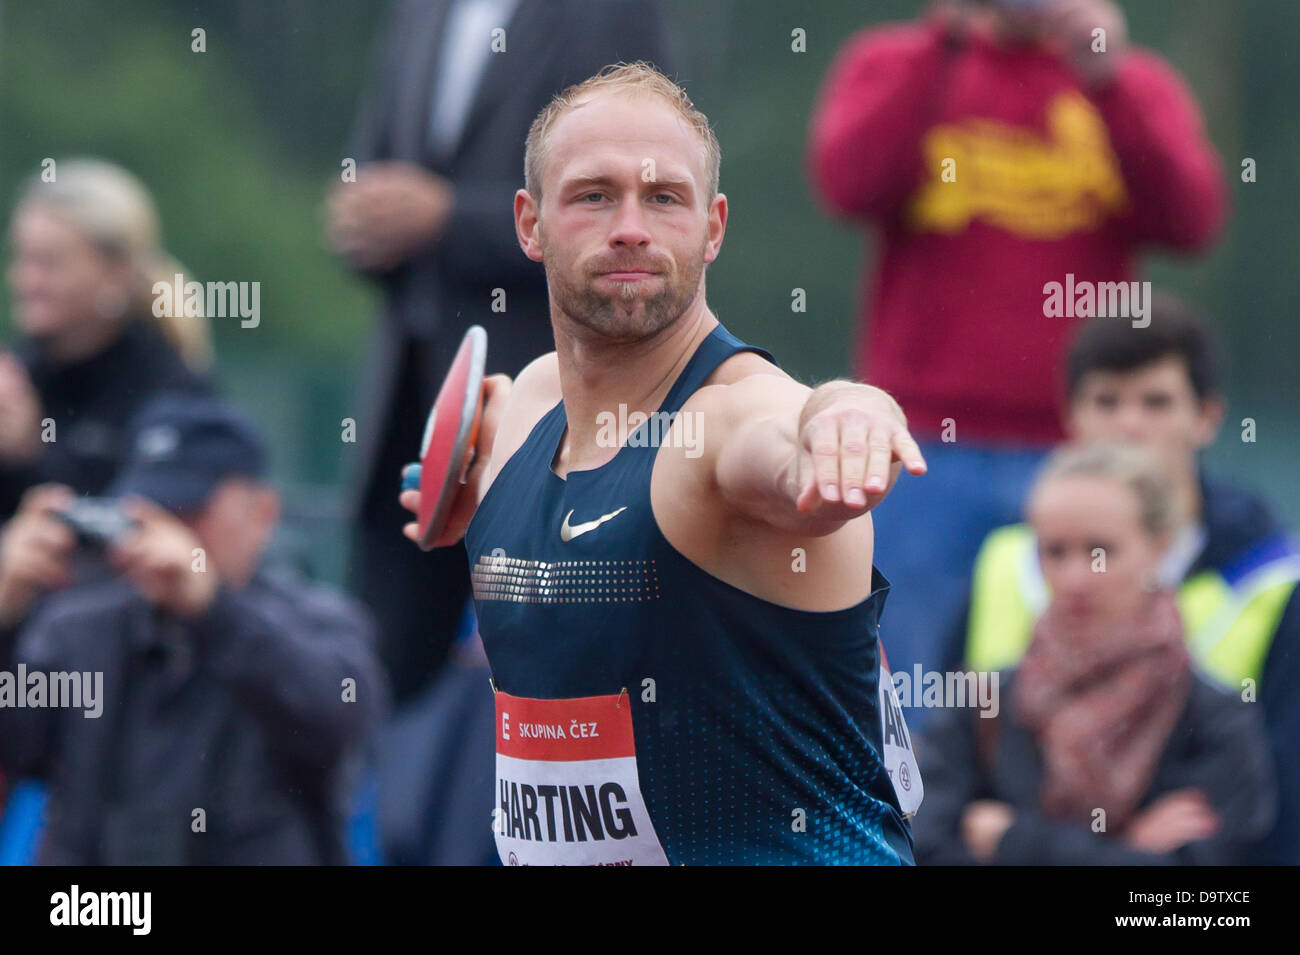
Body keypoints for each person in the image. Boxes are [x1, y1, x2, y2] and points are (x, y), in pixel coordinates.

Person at [400, 63, 928, 865]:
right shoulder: (519, 415)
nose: (631, 227)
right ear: (529, 222)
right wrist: (469, 507)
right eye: (593, 195)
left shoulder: (726, 424)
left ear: (713, 227)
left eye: (664, 198)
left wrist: (851, 412)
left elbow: (792, 436)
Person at [806, 0, 1228, 704]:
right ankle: (918, 821)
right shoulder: (899, 61)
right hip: (921, 451)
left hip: (1083, 450)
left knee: (1083, 695)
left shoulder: (1124, 81)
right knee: (911, 693)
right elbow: (849, 184)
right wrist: (944, 41)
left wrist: (1110, 79)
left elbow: (1191, 220)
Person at [329, 0, 676, 705]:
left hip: (552, 423)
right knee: (381, 699)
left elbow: (636, 202)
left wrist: (446, 219)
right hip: (407, 414)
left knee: (556, 692)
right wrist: (362, 219)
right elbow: (377, 165)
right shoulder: (422, 13)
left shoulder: (613, 12)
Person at [955, 299, 1300, 863]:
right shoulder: (1003, 562)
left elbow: (1258, 835)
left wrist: (1018, 842)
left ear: (1208, 416)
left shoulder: (1271, 582)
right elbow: (940, 804)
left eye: (1156, 402)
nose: (1129, 425)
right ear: (1071, 415)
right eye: (1107, 401)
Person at [0, 396, 386, 864]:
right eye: (150, 512)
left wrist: (213, 610)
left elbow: (340, 729)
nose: (168, 534)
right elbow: (15, 747)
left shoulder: (316, 620)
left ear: (261, 512)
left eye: (189, 510)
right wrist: (6, 611)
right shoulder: (79, 627)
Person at [914, 442, 1275, 865]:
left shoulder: (1215, 720)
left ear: (1161, 547)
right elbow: (926, 848)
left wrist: (1012, 840)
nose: (1075, 578)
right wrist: (1126, 852)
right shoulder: (980, 706)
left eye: (1100, 551)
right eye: (1055, 552)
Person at [0, 159, 213, 521]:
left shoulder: (171, 392)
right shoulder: (20, 378)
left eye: (49, 264)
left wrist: (30, 456)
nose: (26, 281)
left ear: (116, 273)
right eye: (23, 259)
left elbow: (137, 530)